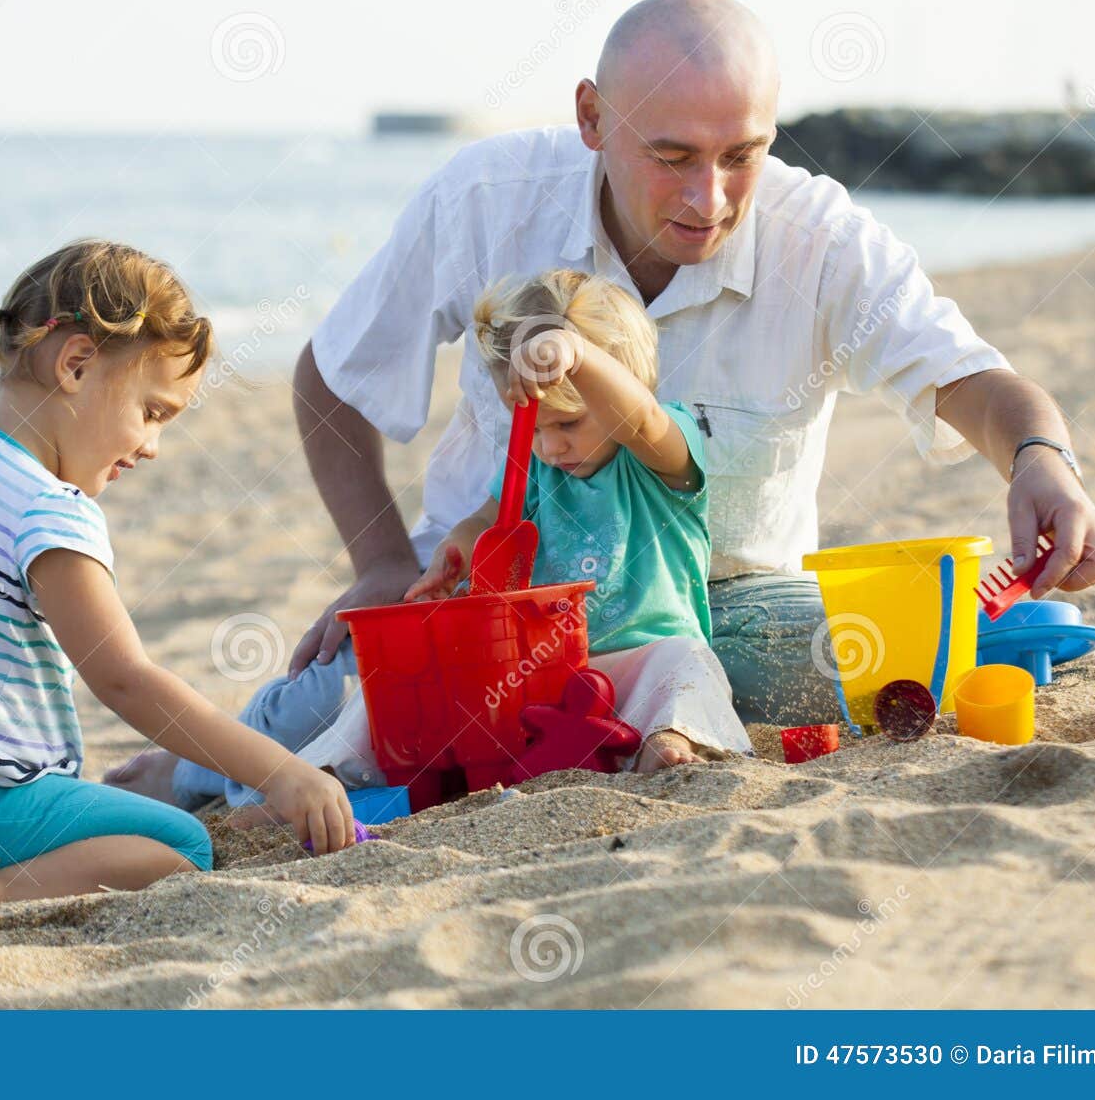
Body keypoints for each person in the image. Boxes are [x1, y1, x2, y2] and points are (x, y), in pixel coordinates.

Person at [112, 0, 1095, 810]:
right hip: (497, 606)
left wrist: (1040, 461)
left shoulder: (821, 236)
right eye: (671, 155)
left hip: (716, 608)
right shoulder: (485, 196)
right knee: (341, 700)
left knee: (867, 653)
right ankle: (186, 768)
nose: (708, 200)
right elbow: (331, 376)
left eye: (741, 156)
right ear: (592, 117)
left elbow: (971, 380)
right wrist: (379, 560)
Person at [0, 239, 356, 917]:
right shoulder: (50, 507)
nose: (153, 445)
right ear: (75, 364)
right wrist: (280, 770)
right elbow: (124, 679)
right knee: (180, 844)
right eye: (153, 411)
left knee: (107, 812)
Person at [295, 269, 752, 787]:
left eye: (568, 424)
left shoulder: (657, 453)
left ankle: (670, 740)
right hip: (542, 673)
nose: (549, 447)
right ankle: (323, 772)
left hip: (636, 663)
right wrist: (457, 550)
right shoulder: (534, 466)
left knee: (687, 661)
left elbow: (639, 418)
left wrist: (575, 356)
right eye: (532, 425)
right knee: (393, 685)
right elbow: (487, 519)